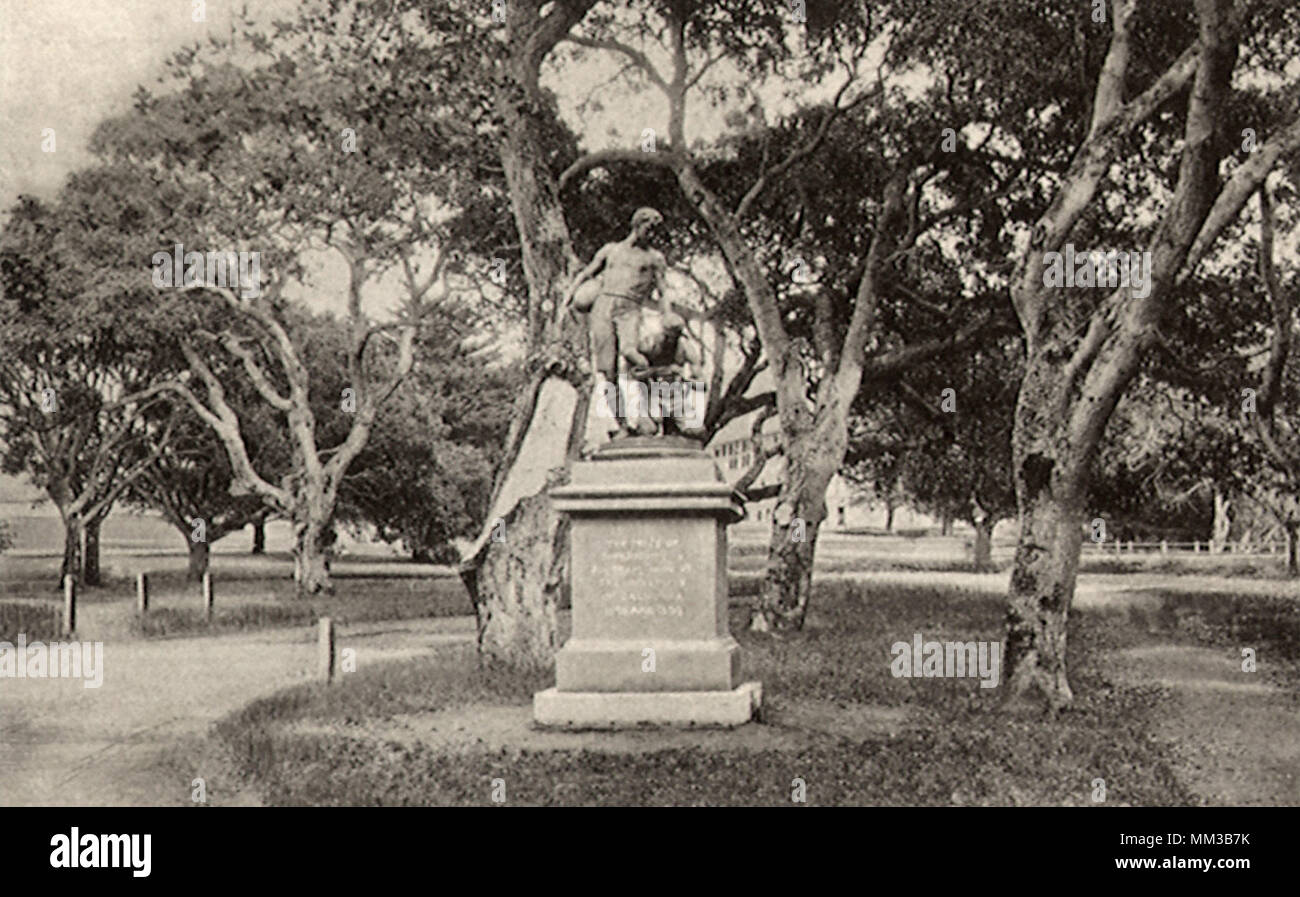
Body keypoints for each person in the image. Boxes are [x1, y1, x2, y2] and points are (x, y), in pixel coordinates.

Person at [565, 207, 672, 435]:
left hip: (630, 308)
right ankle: (623, 425)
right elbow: (586, 274)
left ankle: (650, 410)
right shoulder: (611, 251)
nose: (652, 234)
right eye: (649, 228)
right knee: (607, 372)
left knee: (632, 354)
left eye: (656, 231)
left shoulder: (654, 258)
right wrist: (569, 295)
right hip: (603, 306)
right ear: (637, 225)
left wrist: (667, 315)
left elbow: (663, 290)